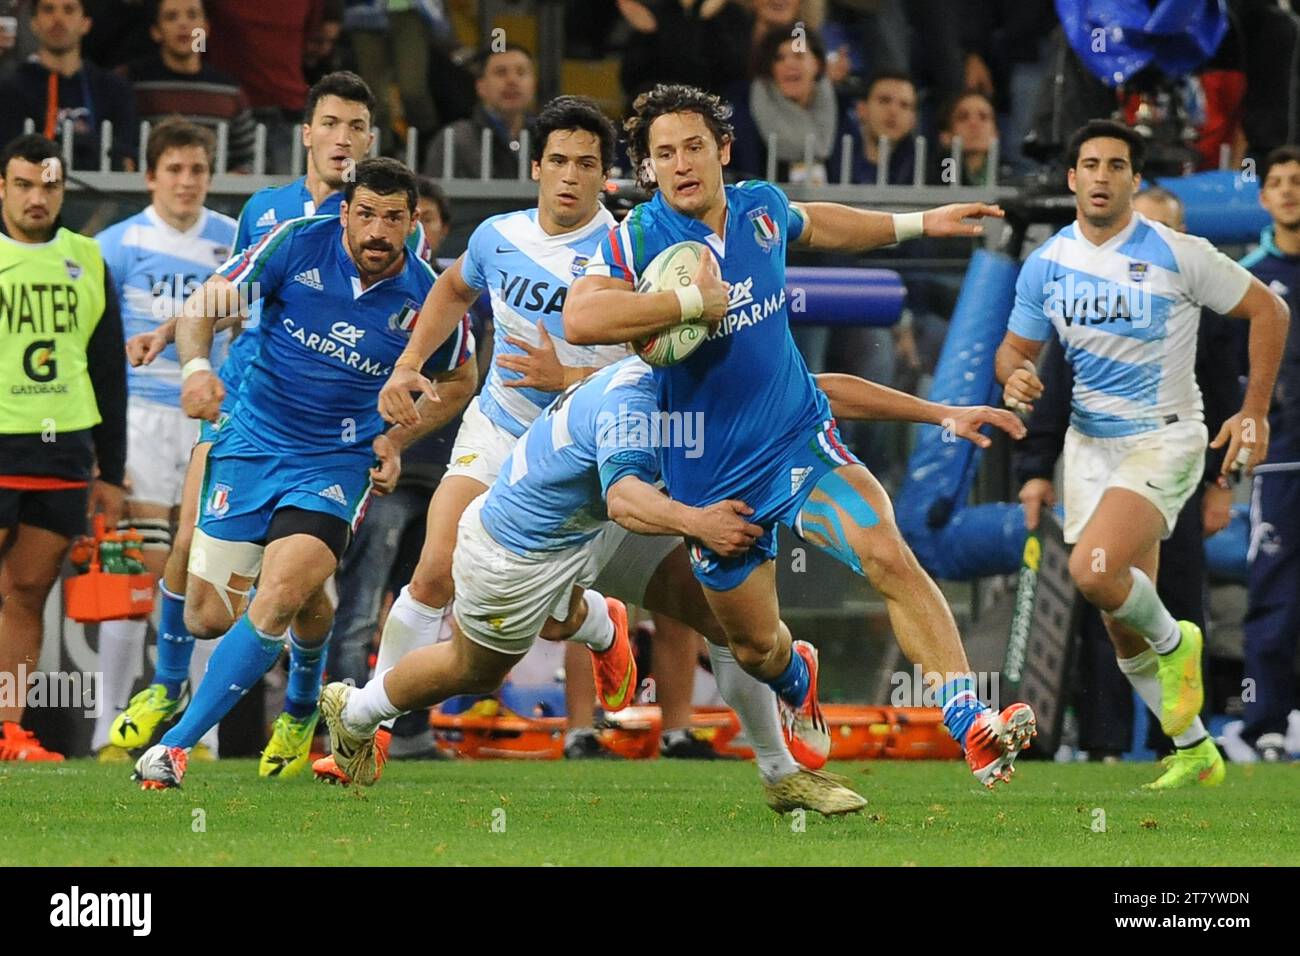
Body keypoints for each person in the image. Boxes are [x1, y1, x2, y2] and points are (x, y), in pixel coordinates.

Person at [564, 83, 1036, 786]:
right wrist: (687, 302)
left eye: (694, 146)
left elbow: (817, 222)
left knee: (886, 552)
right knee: (753, 646)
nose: (682, 163)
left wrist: (919, 223)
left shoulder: (759, 207)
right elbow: (580, 319)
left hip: (798, 442)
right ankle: (795, 675)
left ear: (722, 149)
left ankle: (969, 723)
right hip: (712, 481)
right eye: (664, 154)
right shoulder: (633, 237)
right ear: (650, 169)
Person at [109, 71, 431, 775]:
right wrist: (185, 354)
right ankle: (190, 684)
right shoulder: (277, 219)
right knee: (210, 600)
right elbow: (218, 295)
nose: (343, 138)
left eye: (356, 127)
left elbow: (442, 363)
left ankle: (213, 731)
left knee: (284, 589)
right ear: (307, 133)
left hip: (335, 449)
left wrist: (396, 431)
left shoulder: (413, 269)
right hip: (246, 414)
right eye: (332, 124)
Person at [313, 94, 632, 783]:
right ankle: (368, 729)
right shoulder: (498, 237)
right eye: (558, 162)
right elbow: (454, 290)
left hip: (580, 453)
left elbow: (659, 358)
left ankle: (601, 624)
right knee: (432, 571)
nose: (570, 176)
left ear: (605, 174)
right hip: (496, 428)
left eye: (586, 163)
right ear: (536, 167)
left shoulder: (629, 250)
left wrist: (568, 373)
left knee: (542, 622)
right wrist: (406, 364)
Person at [995, 119, 1290, 789]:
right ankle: (1192, 747)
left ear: (1133, 180)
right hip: (1089, 447)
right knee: (1118, 620)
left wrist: (1253, 412)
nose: (1101, 175)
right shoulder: (1047, 264)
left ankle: (1176, 642)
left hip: (1165, 437)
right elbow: (1014, 350)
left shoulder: (1179, 251)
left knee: (1095, 572)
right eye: (1090, 163)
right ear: (1072, 178)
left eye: (1116, 165)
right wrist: (1013, 372)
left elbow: (1270, 312)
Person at [1015, 186, 1239, 763]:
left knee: (1169, 592)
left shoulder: (1201, 304)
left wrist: (1221, 481)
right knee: (1109, 605)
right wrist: (1037, 467)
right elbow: (1056, 382)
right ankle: (1110, 744)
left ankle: (1179, 734)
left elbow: (1220, 395)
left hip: (1172, 457)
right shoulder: (1090, 292)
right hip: (1099, 455)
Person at [91, 118, 237, 763]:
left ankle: (198, 736)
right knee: (135, 577)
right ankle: (106, 733)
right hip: (141, 425)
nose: (186, 182)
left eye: (197, 170)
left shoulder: (234, 243)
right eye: (174, 170)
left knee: (207, 573)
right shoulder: (115, 245)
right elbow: (95, 346)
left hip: (213, 422)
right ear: (151, 176)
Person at [0, 134, 126, 761]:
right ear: (3, 188)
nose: (36, 198)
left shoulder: (87, 257)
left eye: (48, 186)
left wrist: (115, 470)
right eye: (23, 185)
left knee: (28, 592)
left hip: (62, 453)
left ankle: (9, 730)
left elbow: (108, 370)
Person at [1237, 145, 1300, 762]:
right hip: (1280, 462)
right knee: (1276, 592)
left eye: (1297, 181)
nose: (1287, 191)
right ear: (1263, 198)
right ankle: (1267, 726)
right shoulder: (1251, 279)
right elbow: (1228, 372)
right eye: (1277, 182)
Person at [120, 0, 258, 173]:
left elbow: (249, 158)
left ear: (205, 29)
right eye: (171, 17)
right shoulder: (131, 83)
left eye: (192, 15)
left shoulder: (229, 91)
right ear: (156, 31)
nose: (183, 24)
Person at [0, 0, 138, 171]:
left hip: (100, 196)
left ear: (86, 23)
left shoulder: (114, 89)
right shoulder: (9, 90)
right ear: (33, 23)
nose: (58, 18)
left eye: (69, 9)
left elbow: (127, 162)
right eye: (48, 9)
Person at [729, 22, 839, 184]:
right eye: (779, 58)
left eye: (798, 56)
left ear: (817, 64)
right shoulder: (743, 116)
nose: (789, 64)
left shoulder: (842, 111)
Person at [422, 45, 535, 181]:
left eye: (521, 72)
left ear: (533, 84)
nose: (512, 80)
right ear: (480, 86)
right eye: (501, 72)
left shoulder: (546, 138)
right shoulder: (455, 141)